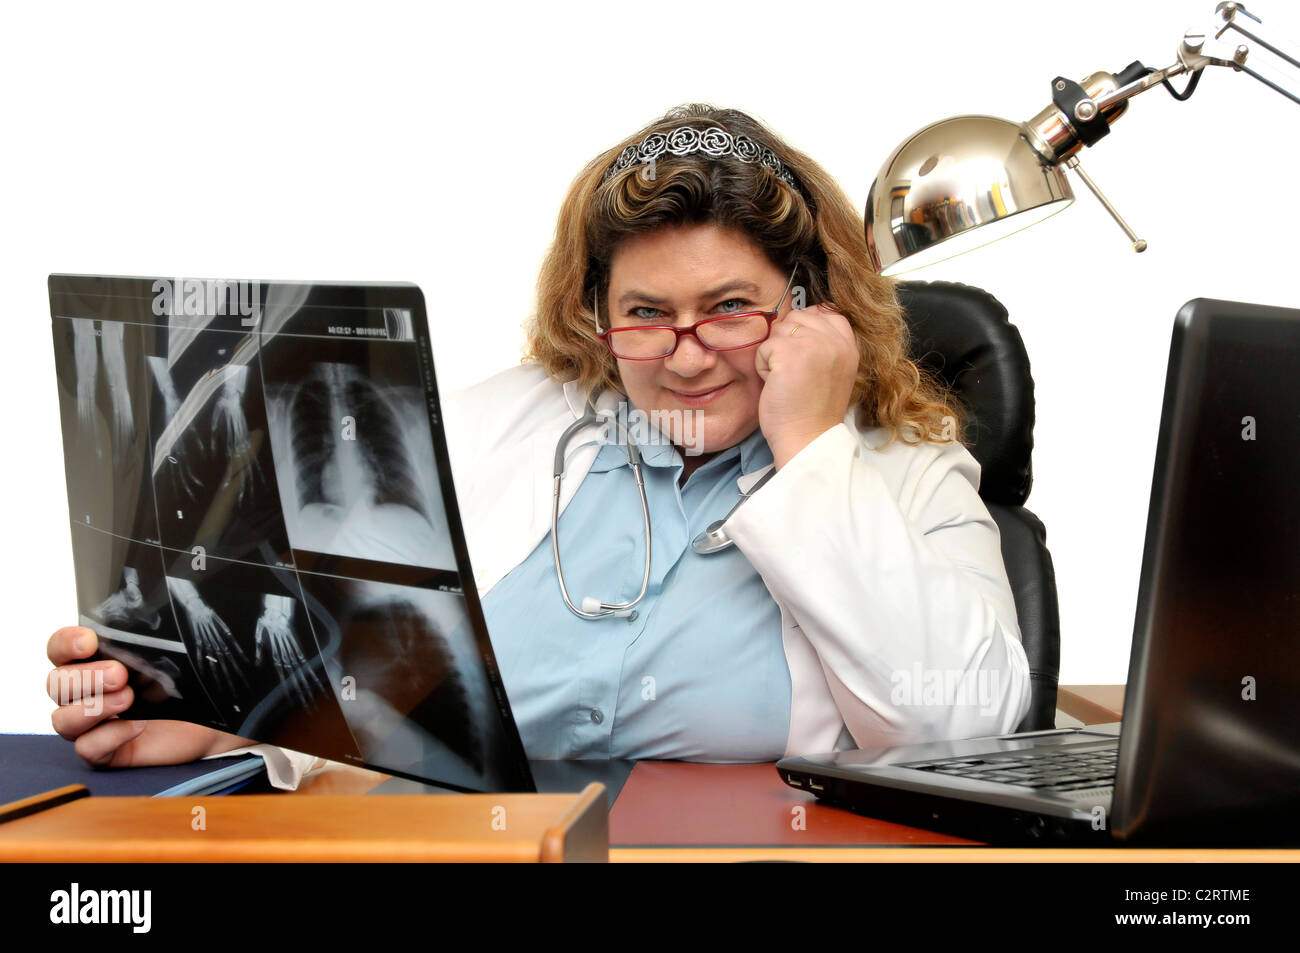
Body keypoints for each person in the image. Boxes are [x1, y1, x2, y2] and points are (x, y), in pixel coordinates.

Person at [46, 103, 1031, 789]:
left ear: (813, 307)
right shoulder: (491, 430)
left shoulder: (908, 474)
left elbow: (964, 731)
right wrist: (219, 720)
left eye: (731, 307)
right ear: (594, 310)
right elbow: (365, 678)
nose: (686, 355)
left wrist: (809, 447)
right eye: (645, 312)